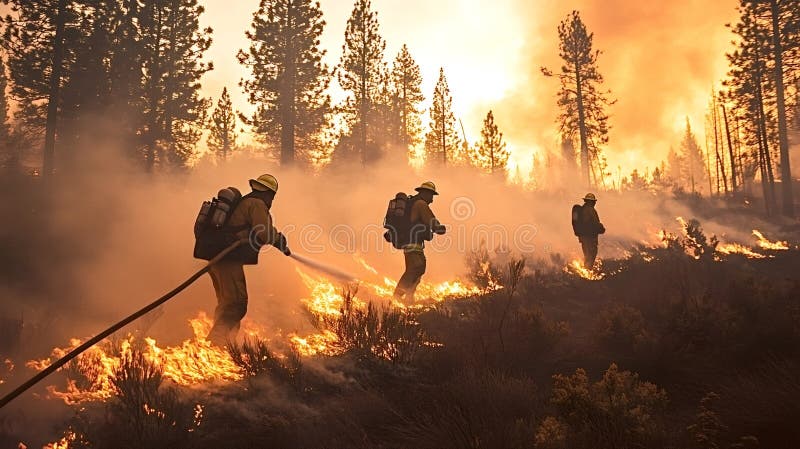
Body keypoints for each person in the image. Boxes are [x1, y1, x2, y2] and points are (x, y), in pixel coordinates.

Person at [207, 173, 290, 344]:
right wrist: (278, 240)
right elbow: (264, 232)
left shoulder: (247, 202)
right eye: (272, 197)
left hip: (220, 259)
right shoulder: (256, 204)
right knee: (236, 304)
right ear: (269, 194)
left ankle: (226, 344)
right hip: (227, 259)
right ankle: (216, 343)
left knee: (227, 304)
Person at [393, 181, 446, 301]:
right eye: (431, 195)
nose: (432, 200)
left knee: (419, 269)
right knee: (415, 268)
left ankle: (409, 298)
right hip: (413, 243)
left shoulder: (412, 203)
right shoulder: (421, 204)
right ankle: (396, 297)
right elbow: (431, 221)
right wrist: (439, 228)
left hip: (411, 243)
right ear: (425, 193)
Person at [576, 193, 605, 269]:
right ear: (591, 202)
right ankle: (587, 272)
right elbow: (594, 224)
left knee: (587, 255)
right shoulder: (590, 210)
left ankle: (586, 272)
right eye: (594, 201)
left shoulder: (583, 209)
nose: (595, 203)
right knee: (591, 255)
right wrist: (601, 228)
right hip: (590, 238)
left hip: (584, 237)